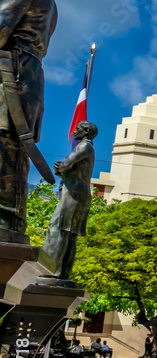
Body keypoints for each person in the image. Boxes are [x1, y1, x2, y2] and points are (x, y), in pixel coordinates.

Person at [0, 0, 58, 238]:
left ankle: (5, 227)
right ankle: (9, 225)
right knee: (13, 155)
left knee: (4, 152)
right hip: (28, 79)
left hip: (9, 77)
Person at [40, 121, 95, 282]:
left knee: (57, 228)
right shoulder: (88, 148)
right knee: (70, 234)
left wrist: (59, 166)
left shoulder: (84, 147)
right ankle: (62, 273)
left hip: (73, 196)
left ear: (85, 131)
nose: (74, 130)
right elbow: (71, 171)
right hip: (79, 195)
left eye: (78, 128)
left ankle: (47, 269)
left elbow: (66, 164)